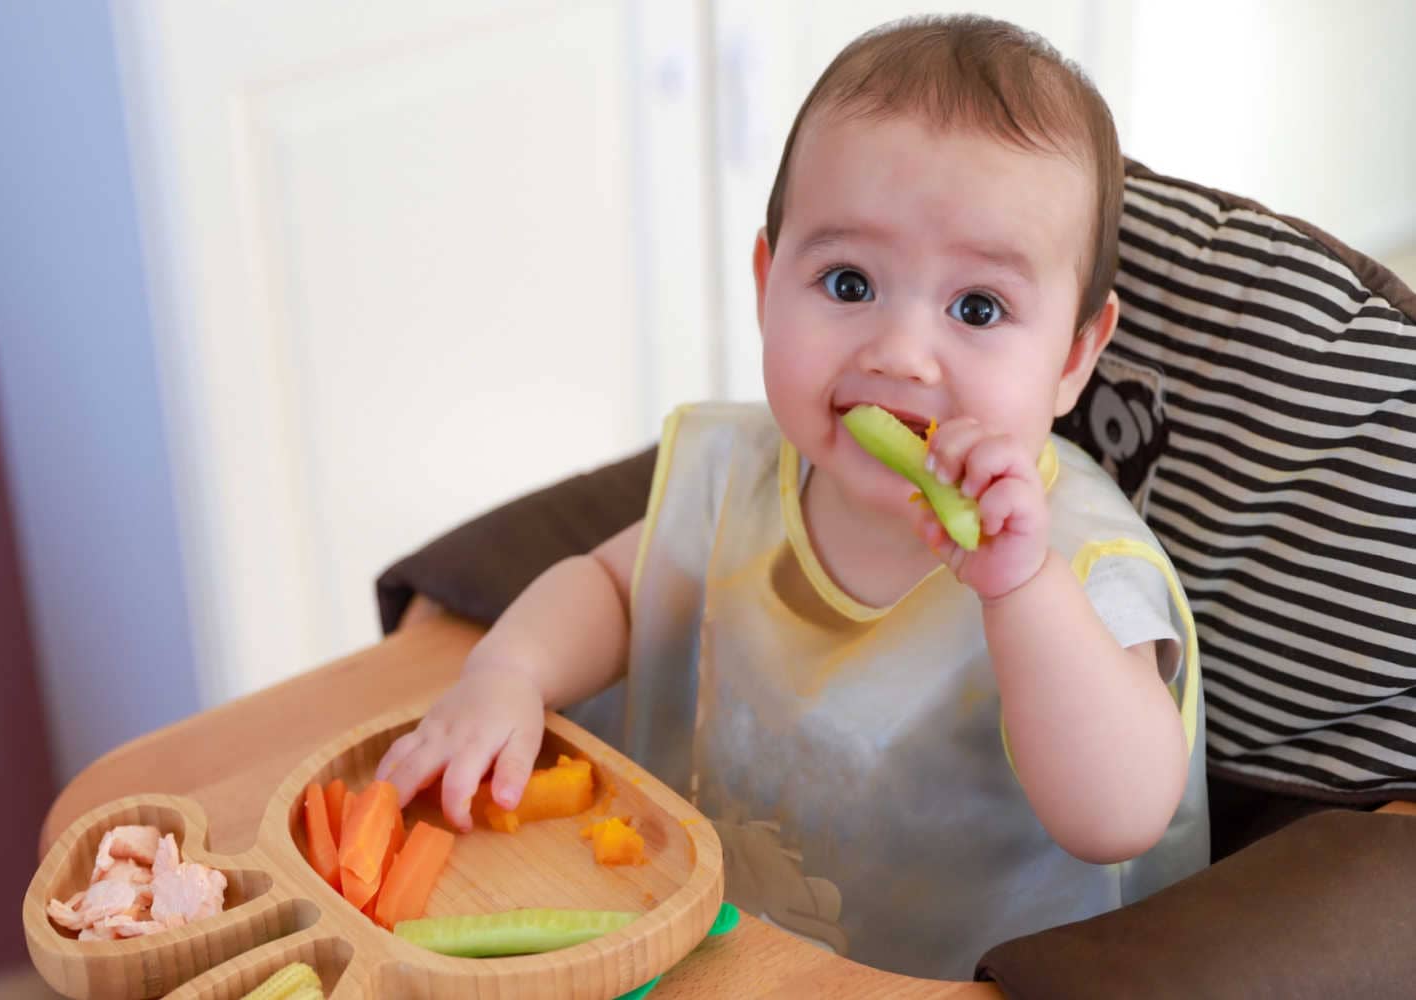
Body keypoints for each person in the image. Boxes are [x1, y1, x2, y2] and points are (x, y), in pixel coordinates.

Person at [376, 14, 1208, 979]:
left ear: (1072, 358)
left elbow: (1118, 816)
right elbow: (611, 590)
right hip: (719, 948)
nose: (899, 353)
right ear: (770, 282)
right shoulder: (742, 475)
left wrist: (1020, 588)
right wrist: (508, 674)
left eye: (977, 308)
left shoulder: (1080, 564)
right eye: (848, 282)